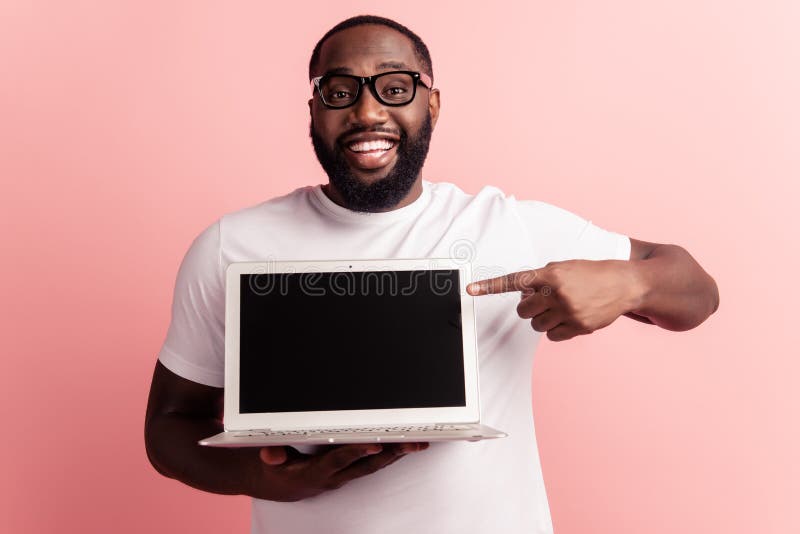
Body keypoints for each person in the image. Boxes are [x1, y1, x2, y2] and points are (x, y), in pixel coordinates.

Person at [144, 15, 719, 534]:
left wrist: (630, 285)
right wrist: (262, 478)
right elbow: (170, 427)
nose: (367, 112)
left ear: (433, 105)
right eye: (340, 91)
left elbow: (697, 291)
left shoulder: (507, 226)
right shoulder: (233, 245)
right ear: (315, 110)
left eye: (395, 88)